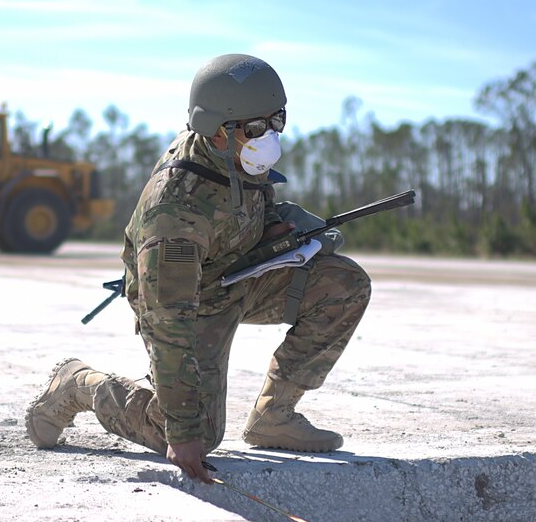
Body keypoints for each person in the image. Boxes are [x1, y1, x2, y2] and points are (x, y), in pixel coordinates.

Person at [25, 53, 372, 483]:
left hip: (236, 274)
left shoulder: (236, 153)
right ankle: (79, 384)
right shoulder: (175, 210)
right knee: (197, 431)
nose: (270, 136)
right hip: (186, 300)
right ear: (217, 131)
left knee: (344, 284)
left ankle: (274, 415)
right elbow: (168, 320)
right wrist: (183, 432)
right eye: (256, 128)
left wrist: (283, 231)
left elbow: (240, 211)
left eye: (276, 120)